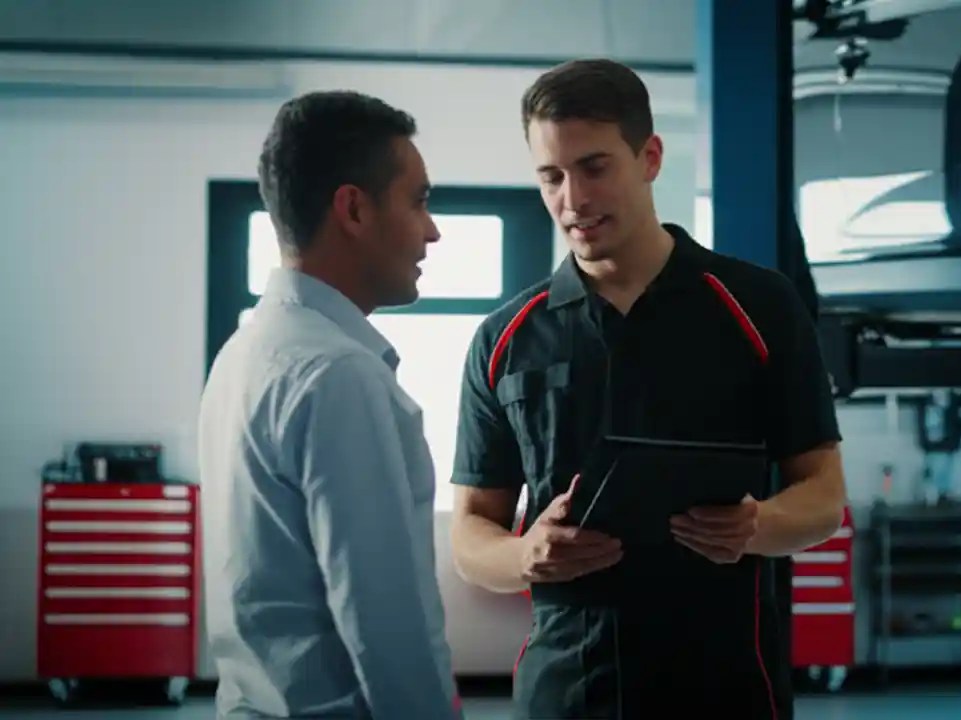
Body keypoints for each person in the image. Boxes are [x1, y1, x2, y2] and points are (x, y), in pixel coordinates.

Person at [449, 59, 847, 720]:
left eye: (594, 167)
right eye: (552, 176)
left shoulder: (760, 308)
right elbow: (470, 535)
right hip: (567, 692)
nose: (573, 200)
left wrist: (757, 525)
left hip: (728, 690)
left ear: (650, 158)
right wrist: (523, 554)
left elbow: (824, 496)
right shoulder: (505, 339)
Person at [198, 90, 460, 720]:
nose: (432, 230)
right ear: (354, 209)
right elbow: (386, 624)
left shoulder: (246, 350)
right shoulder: (339, 375)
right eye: (418, 201)